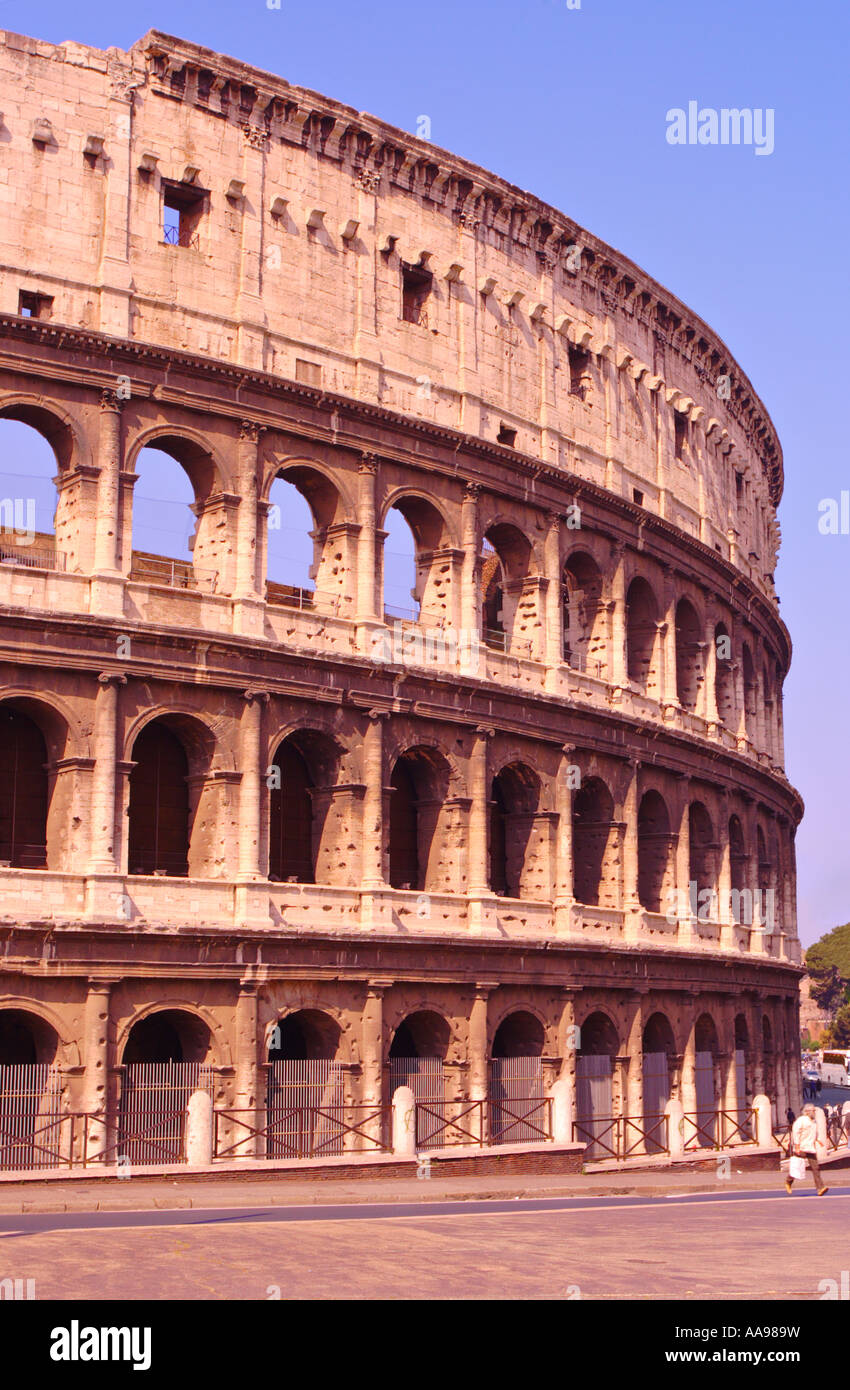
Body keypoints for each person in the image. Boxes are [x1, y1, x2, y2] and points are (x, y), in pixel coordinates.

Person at [785, 1103, 829, 1196]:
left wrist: (818, 1140)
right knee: (797, 1167)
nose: (814, 1112)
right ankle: (788, 1181)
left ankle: (820, 1188)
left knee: (815, 1168)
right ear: (807, 1112)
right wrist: (796, 1145)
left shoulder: (813, 1122)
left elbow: (814, 1133)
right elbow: (796, 1132)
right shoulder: (801, 1120)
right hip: (801, 1147)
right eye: (813, 1111)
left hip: (810, 1148)